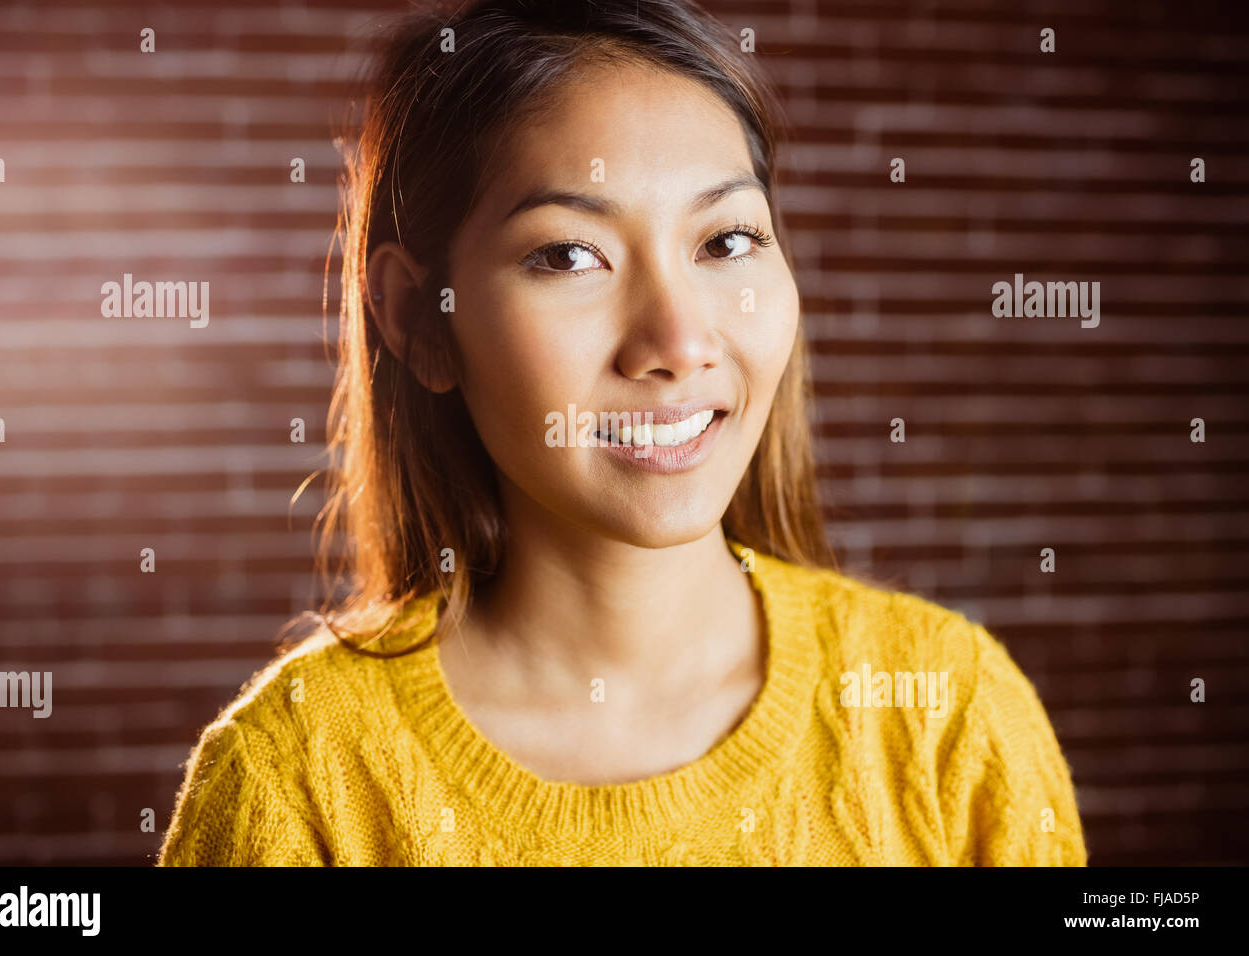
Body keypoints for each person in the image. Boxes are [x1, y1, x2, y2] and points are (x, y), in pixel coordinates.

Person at [157, 0, 1087, 866]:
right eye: (569, 255)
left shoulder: (950, 715)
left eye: (726, 241)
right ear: (419, 320)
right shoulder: (295, 783)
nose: (679, 344)